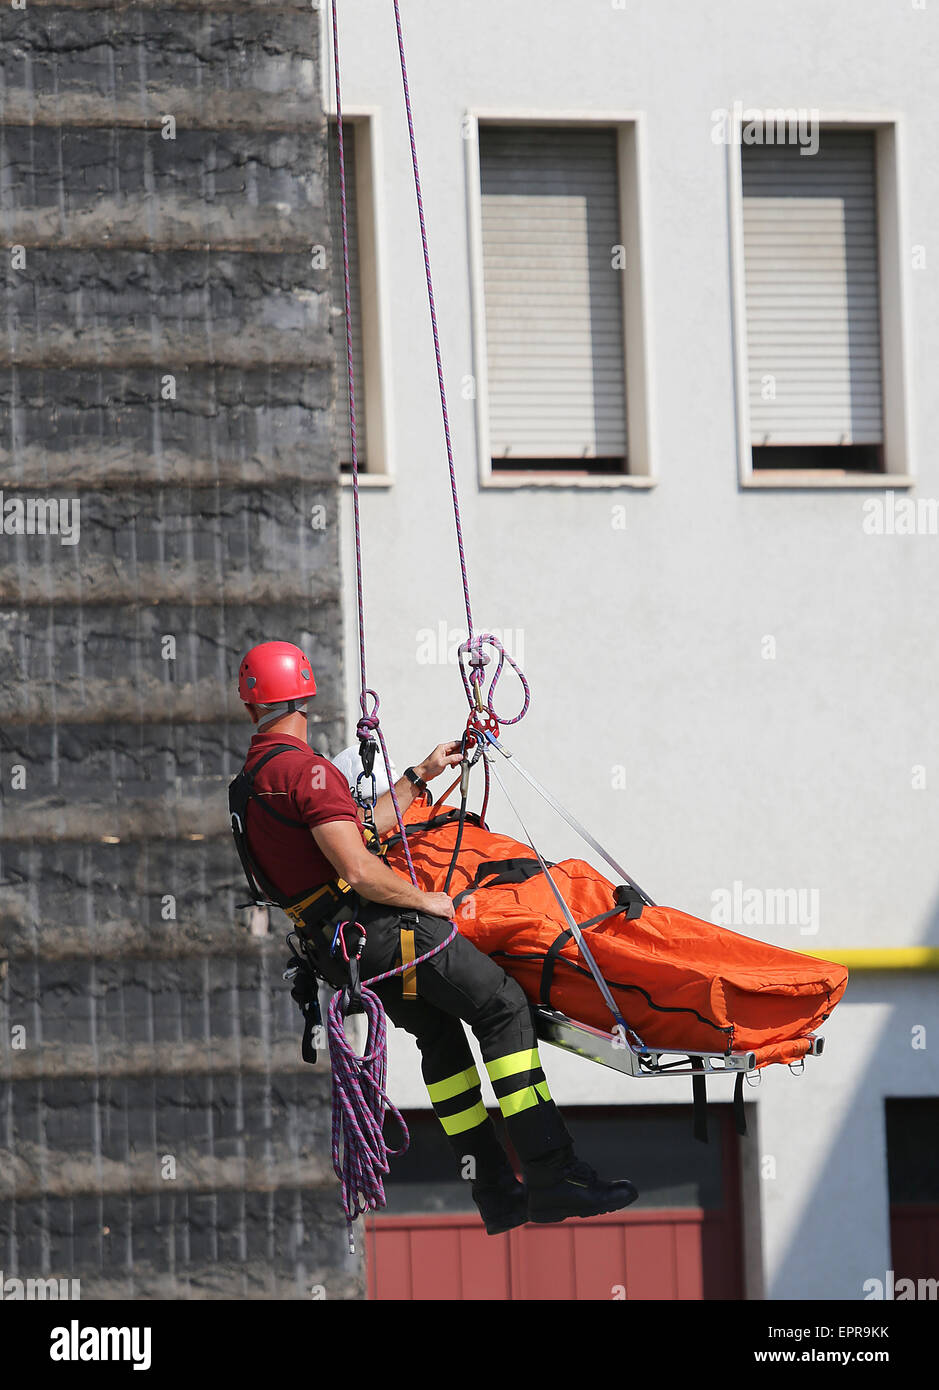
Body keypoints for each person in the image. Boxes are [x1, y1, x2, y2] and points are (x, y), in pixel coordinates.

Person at [230, 640, 639, 1233]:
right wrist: (428, 900)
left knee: (441, 1039)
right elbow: (358, 867)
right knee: (502, 1007)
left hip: (345, 952)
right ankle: (554, 1172)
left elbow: (358, 831)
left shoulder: (250, 784)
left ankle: (495, 1192)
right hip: (380, 930)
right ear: (306, 695)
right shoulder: (307, 771)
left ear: (252, 708)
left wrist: (419, 777)